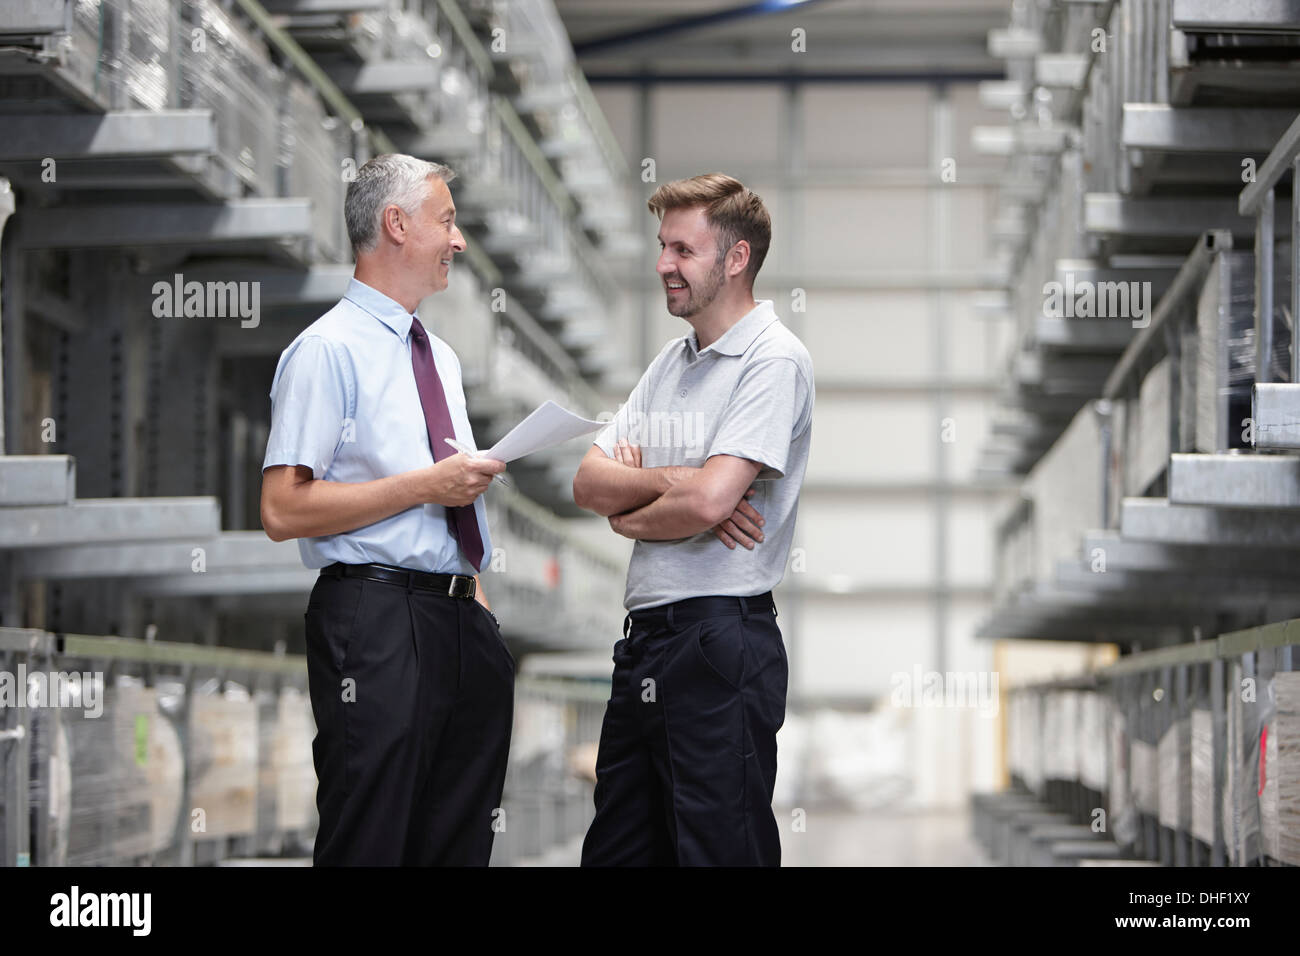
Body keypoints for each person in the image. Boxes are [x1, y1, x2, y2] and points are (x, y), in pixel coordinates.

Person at [259, 154, 513, 866]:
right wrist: (426, 486)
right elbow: (282, 508)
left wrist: (477, 607)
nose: (459, 241)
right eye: (447, 221)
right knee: (372, 836)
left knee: (458, 839)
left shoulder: (440, 359)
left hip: (459, 618)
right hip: (374, 622)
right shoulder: (326, 351)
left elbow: (445, 500)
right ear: (396, 225)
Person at [573, 173, 815, 866]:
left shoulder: (773, 361)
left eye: (682, 249)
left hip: (718, 642)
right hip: (645, 640)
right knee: (618, 851)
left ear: (735, 259)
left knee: (717, 851)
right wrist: (674, 484)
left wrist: (637, 510)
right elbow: (589, 483)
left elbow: (712, 504)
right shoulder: (668, 366)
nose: (662, 265)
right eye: (661, 246)